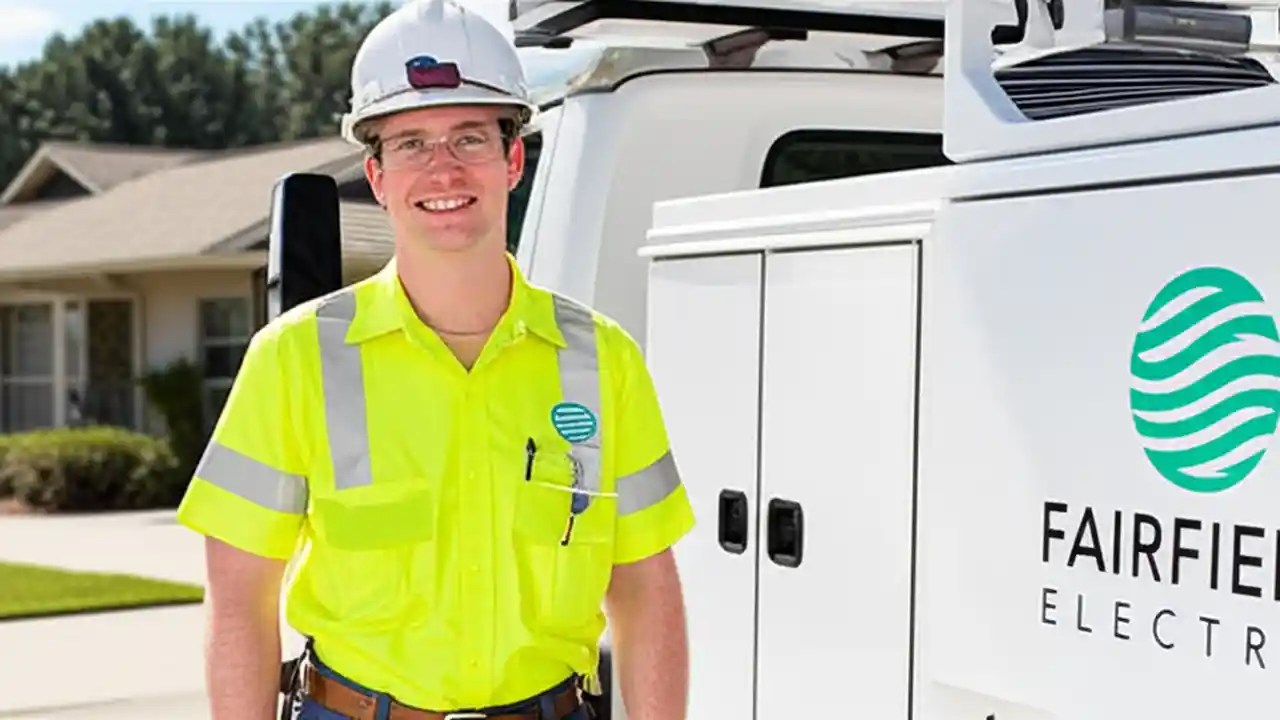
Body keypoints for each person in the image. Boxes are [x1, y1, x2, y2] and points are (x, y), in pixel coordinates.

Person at [174, 0, 696, 718]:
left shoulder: (606, 360)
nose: (443, 169)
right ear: (377, 173)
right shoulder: (293, 359)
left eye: (470, 139)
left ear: (512, 159)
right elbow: (238, 602)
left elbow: (646, 589)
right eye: (412, 142)